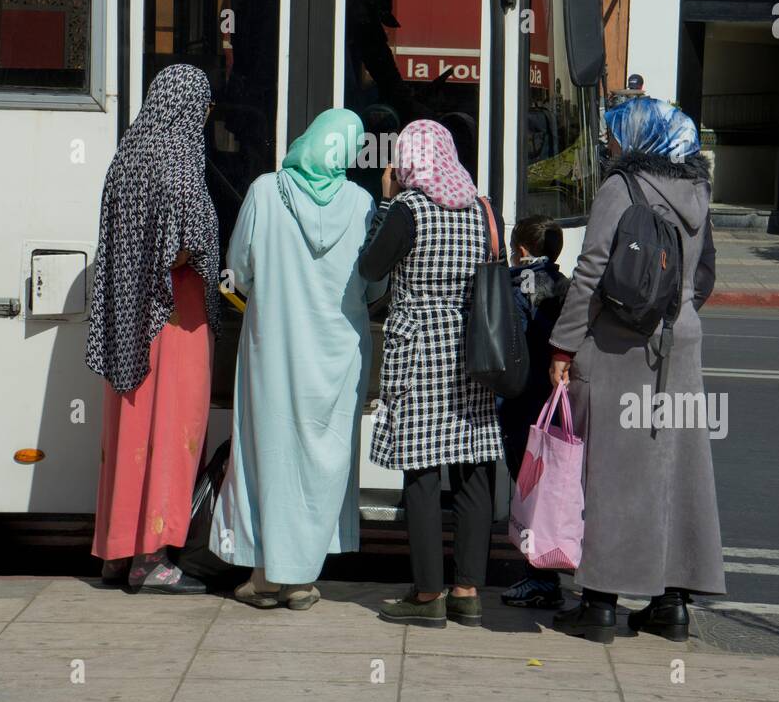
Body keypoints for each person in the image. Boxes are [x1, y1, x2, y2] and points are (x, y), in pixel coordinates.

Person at [548, 96, 724, 644]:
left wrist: (563, 344)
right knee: (675, 472)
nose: (609, 144)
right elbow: (705, 274)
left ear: (637, 138)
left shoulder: (620, 189)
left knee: (614, 474)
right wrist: (678, 311)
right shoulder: (697, 191)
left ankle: (599, 602)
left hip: (623, 345)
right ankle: (672, 603)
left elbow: (590, 272)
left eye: (615, 135)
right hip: (682, 342)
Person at [209, 109, 383, 609]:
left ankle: (265, 576)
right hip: (338, 353)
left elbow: (239, 269)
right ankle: (304, 578)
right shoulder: (362, 202)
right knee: (324, 459)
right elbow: (374, 282)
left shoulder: (267, 191)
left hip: (275, 347)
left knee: (270, 450)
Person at [359, 119, 505, 629]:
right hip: (473, 349)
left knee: (421, 470)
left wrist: (385, 201)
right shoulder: (483, 208)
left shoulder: (408, 209)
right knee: (472, 465)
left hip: (419, 346)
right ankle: (466, 589)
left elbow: (371, 268)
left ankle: (427, 594)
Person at [86, 65, 220, 594]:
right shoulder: (179, 162)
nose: (206, 118)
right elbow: (188, 246)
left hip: (126, 324)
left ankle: (116, 553)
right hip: (173, 318)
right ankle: (151, 557)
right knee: (172, 432)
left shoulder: (126, 158)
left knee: (129, 432)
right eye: (203, 107)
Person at [499, 213, 569, 609]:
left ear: (521, 252)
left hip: (522, 402)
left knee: (529, 487)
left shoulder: (515, 287)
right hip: (555, 401)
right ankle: (546, 572)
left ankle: (540, 578)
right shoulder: (564, 284)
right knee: (550, 487)